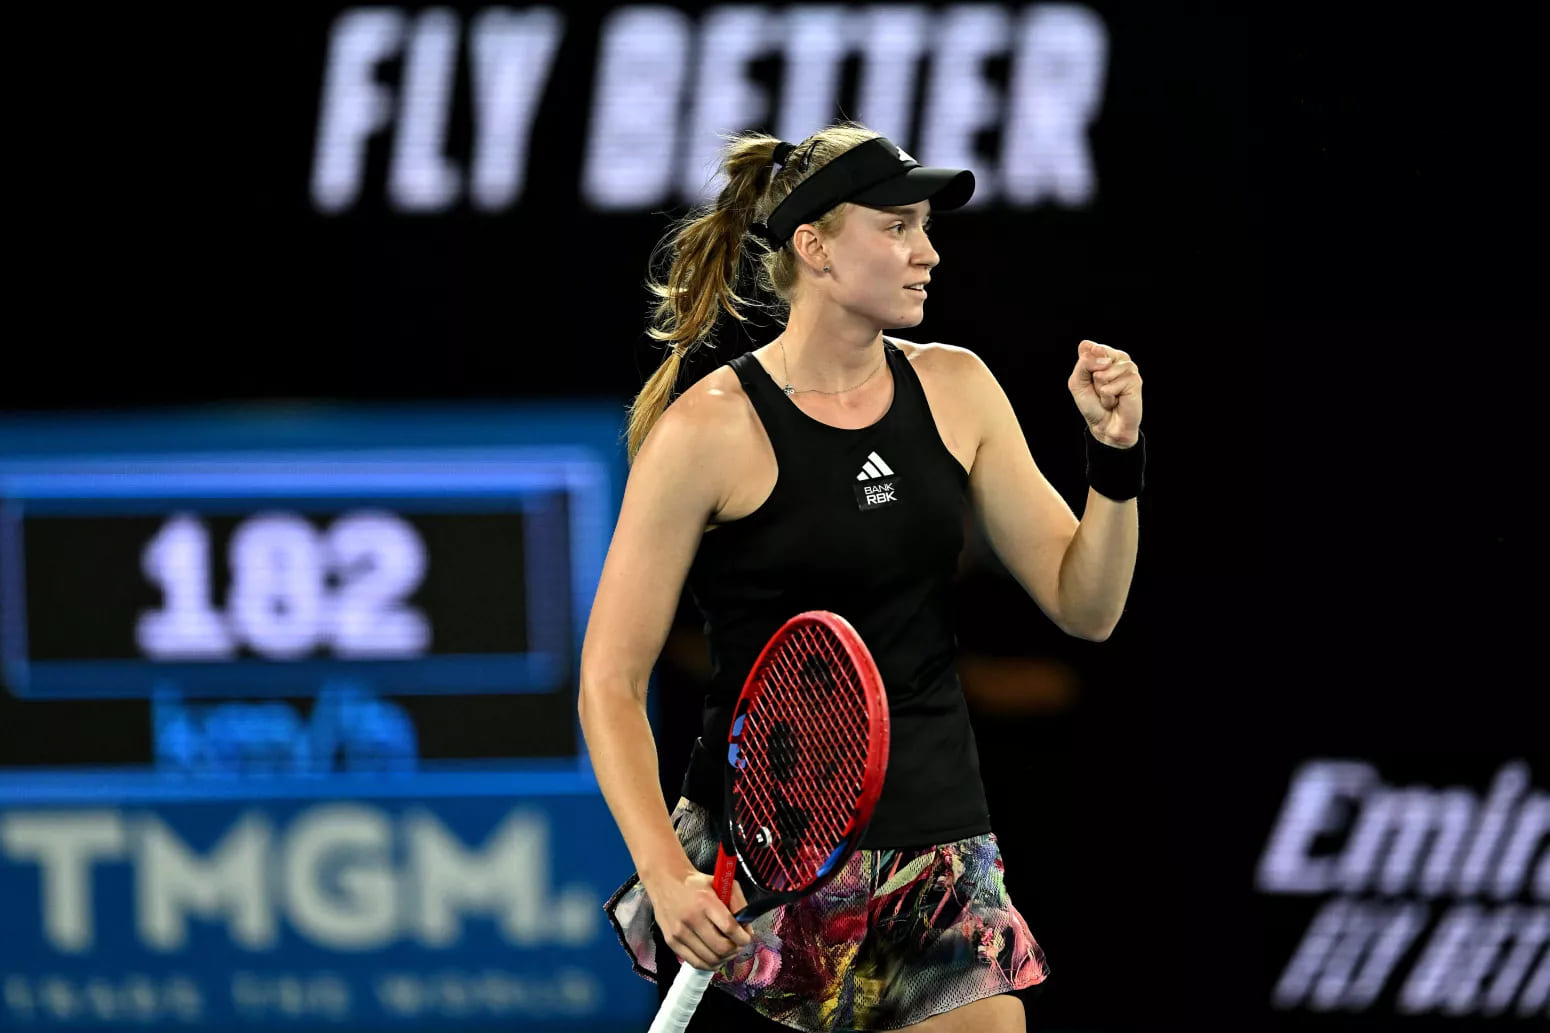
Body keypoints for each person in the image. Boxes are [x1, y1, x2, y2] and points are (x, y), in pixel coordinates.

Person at [578, 122, 1144, 1032]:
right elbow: (609, 679)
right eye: (897, 227)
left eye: (926, 227)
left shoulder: (957, 388)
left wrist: (1115, 460)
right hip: (761, 867)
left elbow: (1088, 606)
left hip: (938, 848)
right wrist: (664, 871)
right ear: (816, 247)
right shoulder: (708, 430)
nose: (927, 252)